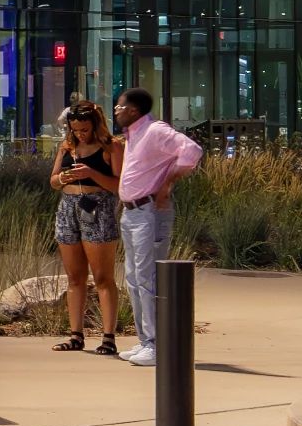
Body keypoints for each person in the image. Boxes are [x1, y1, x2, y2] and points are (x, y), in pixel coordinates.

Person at [108, 87, 201, 371]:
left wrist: (167, 183)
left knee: (148, 277)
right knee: (134, 278)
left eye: (120, 106)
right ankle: (145, 338)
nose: (116, 110)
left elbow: (192, 150)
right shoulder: (133, 135)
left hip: (148, 212)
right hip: (132, 212)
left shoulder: (155, 131)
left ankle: (156, 343)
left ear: (134, 111)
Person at [46, 105, 125, 354]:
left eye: (85, 129)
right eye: (75, 129)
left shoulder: (111, 146)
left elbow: (118, 185)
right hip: (68, 207)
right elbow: (53, 180)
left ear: (96, 125)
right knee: (74, 277)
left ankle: (108, 336)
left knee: (102, 277)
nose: (80, 134)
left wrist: (90, 172)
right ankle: (76, 334)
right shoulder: (67, 146)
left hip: (98, 206)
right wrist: (63, 179)